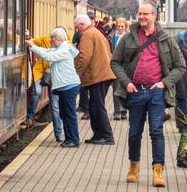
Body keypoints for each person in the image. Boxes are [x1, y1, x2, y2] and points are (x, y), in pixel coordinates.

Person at [111, 1, 183, 187]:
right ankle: (133, 167)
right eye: (139, 13)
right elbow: (115, 63)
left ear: (154, 16)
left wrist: (164, 83)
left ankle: (158, 171)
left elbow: (180, 66)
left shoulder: (165, 39)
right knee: (134, 133)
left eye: (146, 14)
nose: (142, 17)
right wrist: (126, 82)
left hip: (156, 93)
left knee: (157, 132)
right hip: (135, 91)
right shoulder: (128, 38)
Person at [28, 27, 80, 147]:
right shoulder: (61, 47)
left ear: (58, 39)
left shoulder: (64, 49)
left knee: (69, 114)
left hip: (68, 86)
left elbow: (49, 57)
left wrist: (33, 47)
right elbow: (48, 52)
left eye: (53, 39)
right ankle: (69, 139)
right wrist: (32, 46)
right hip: (65, 87)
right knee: (65, 114)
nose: (51, 41)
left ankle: (73, 140)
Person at [73, 13, 115, 144]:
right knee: (94, 106)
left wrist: (76, 73)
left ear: (81, 25)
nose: (77, 30)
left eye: (77, 27)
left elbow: (84, 57)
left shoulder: (86, 34)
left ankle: (107, 136)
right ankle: (98, 135)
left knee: (98, 106)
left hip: (98, 76)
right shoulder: (95, 32)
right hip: (102, 74)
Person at [26, 31, 63, 141]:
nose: (52, 41)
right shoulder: (45, 38)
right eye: (52, 38)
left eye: (55, 39)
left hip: (54, 76)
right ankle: (30, 116)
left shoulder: (65, 45)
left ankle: (58, 134)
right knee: (37, 92)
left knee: (55, 107)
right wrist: (28, 37)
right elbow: (32, 41)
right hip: (40, 71)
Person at [110, 17, 129, 120]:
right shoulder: (111, 37)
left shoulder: (129, 37)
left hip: (126, 67)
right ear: (116, 26)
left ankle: (124, 110)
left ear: (126, 27)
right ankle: (117, 111)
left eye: (122, 26)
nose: (120, 28)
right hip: (115, 67)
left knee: (125, 89)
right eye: (118, 26)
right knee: (116, 89)